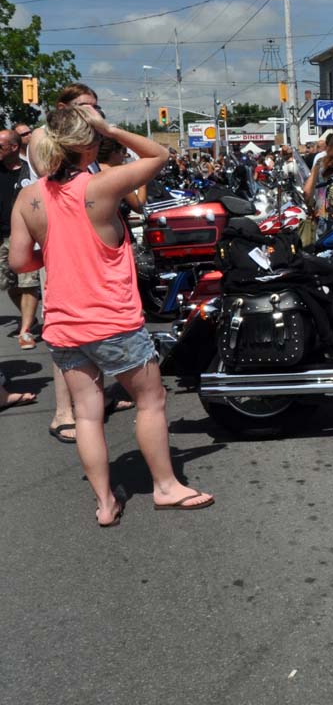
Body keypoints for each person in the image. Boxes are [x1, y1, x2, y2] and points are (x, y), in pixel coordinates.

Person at [9, 105, 214, 525]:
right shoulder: (101, 187)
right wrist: (111, 128)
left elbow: (19, 263)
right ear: (88, 146)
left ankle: (104, 502)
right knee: (151, 400)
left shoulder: (28, 198)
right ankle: (165, 486)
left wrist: (56, 257)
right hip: (112, 320)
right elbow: (158, 155)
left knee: (86, 413)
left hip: (64, 324)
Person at [0, 129, 41, 349]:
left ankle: (25, 330)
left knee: (28, 283)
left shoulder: (29, 171)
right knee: (8, 284)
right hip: (2, 236)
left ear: (14, 148)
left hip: (24, 235)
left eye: (0, 146)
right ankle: (31, 319)